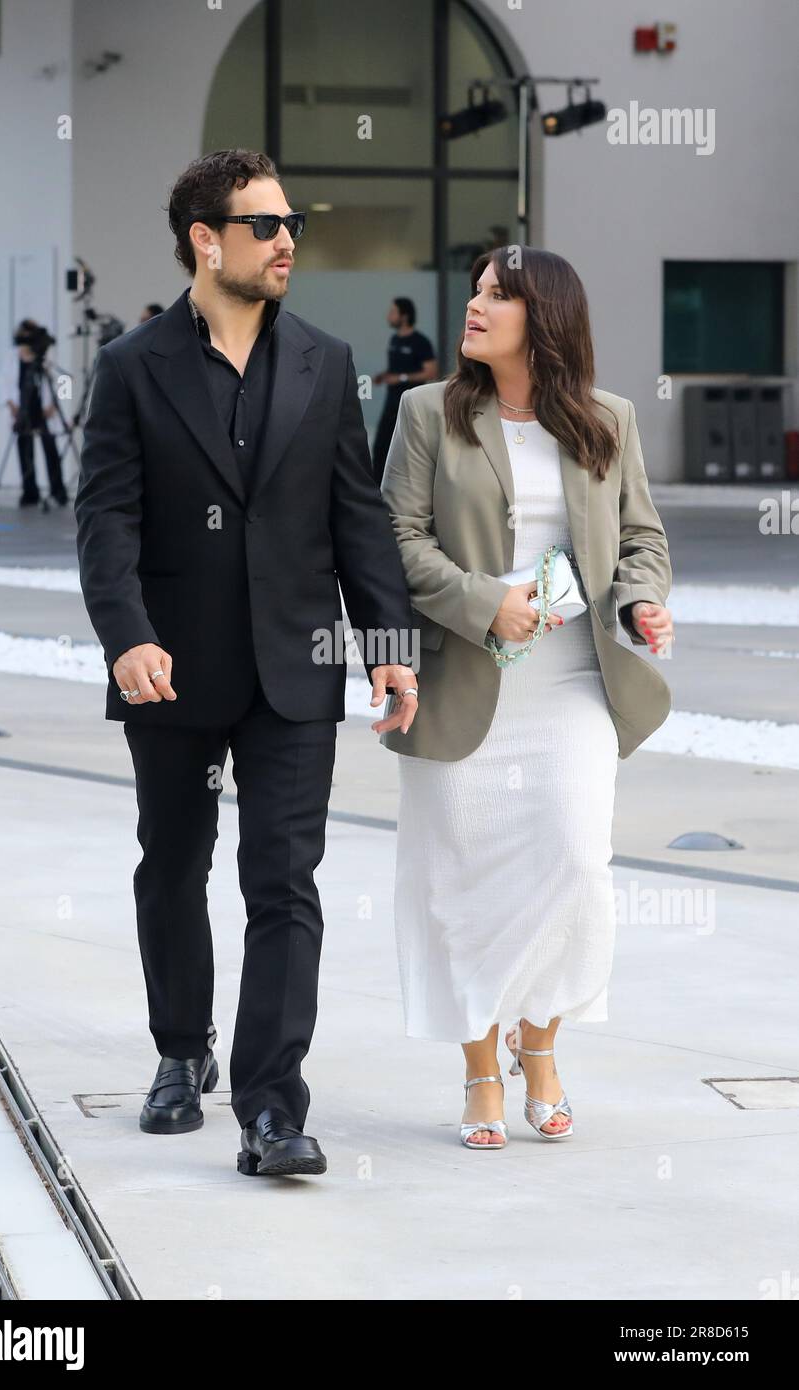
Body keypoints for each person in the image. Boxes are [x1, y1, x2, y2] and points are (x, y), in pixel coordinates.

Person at [74, 149, 418, 1178]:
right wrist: (127, 634)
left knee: (284, 879)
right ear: (204, 239)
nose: (285, 242)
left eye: (290, 225)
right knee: (173, 865)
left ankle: (272, 1106)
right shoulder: (134, 366)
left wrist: (388, 648)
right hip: (169, 669)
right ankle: (181, 1052)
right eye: (265, 224)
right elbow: (105, 517)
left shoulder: (322, 359)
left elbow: (355, 517)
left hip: (294, 671)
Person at [379, 246, 673, 1150]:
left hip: (573, 685)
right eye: (474, 292)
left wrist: (642, 599)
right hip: (465, 681)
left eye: (497, 295)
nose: (474, 306)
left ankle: (538, 1043)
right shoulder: (427, 410)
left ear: (543, 317)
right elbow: (395, 535)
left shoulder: (607, 419)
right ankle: (479, 1067)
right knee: (459, 880)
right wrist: (484, 602)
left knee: (579, 865)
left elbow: (641, 537)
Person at [371, 298, 437, 484]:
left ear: (404, 316)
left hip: (411, 406)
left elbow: (431, 372)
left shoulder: (420, 342)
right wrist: (384, 376)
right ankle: (378, 497)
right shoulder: (394, 340)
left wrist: (401, 378)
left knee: (409, 452)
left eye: (393, 312)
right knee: (381, 449)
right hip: (390, 404)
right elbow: (396, 370)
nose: (389, 316)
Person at [2, 319, 68, 506]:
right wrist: (11, 405)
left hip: (44, 410)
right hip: (22, 410)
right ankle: (30, 491)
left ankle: (57, 490)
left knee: (50, 449)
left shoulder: (46, 356)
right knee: (25, 451)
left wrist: (55, 405)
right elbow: (5, 383)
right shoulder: (12, 356)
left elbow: (65, 380)